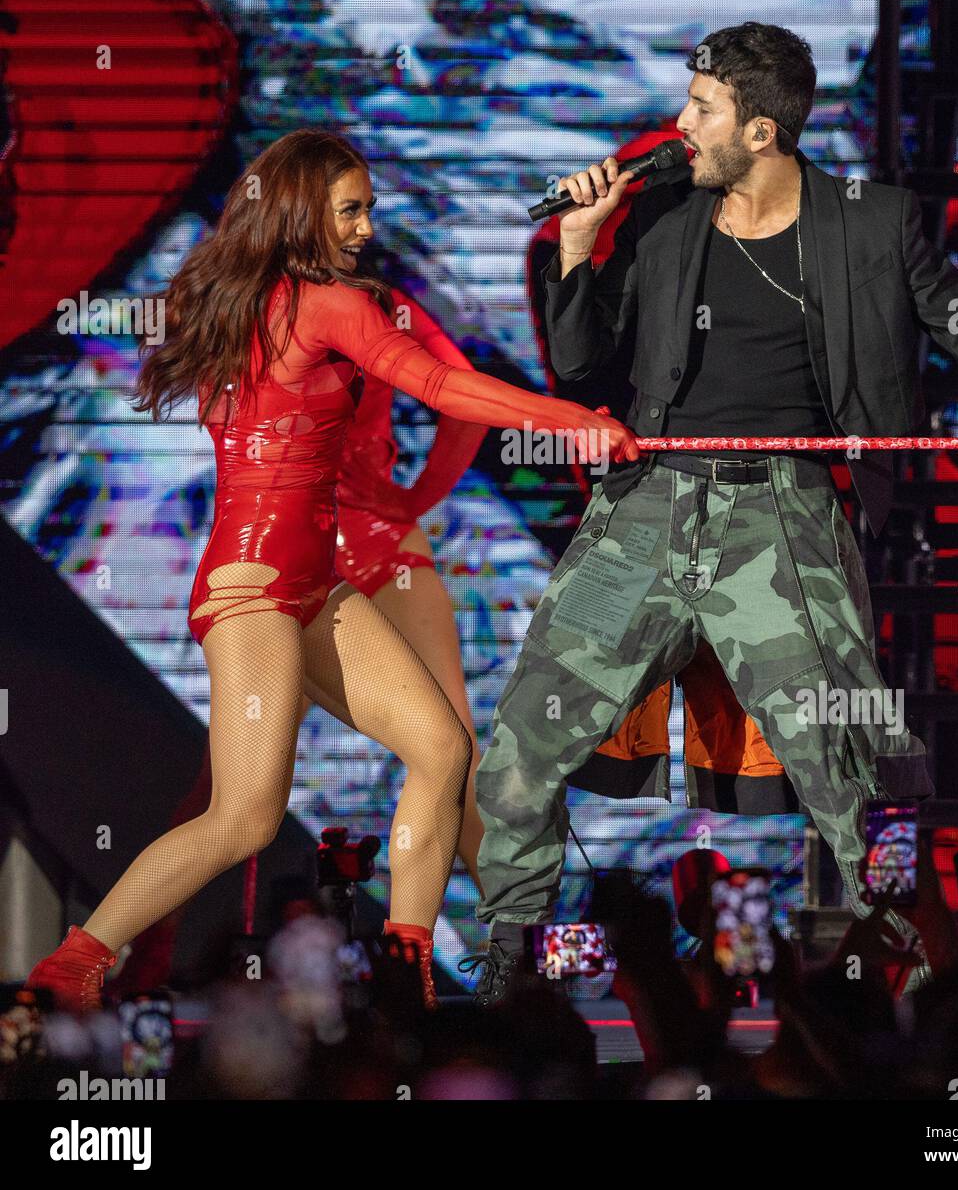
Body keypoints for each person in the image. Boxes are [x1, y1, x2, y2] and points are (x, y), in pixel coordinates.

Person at [469, 22, 958, 1003]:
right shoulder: (658, 216)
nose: (681, 125)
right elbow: (580, 369)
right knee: (524, 746)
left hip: (772, 519)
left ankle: (945, 982)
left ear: (763, 132)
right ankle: (503, 988)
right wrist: (575, 242)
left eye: (702, 109)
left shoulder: (869, 224)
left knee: (851, 771)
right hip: (642, 515)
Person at [26, 129, 638, 1013]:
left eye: (368, 209)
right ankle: (76, 963)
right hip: (254, 591)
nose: (364, 226)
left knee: (440, 747)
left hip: (311, 588)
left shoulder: (238, 300)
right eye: (349, 209)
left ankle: (407, 962)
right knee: (244, 817)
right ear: (302, 212)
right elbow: (449, 392)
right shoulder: (323, 304)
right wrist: (573, 419)